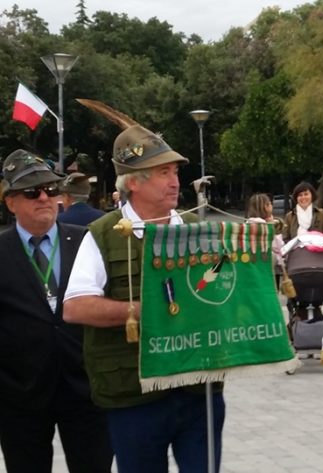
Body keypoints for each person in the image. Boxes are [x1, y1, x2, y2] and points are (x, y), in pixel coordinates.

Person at [62, 125, 225, 473]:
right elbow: (75, 307)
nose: (175, 181)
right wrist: (148, 310)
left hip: (199, 390)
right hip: (134, 396)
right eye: (163, 173)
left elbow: (224, 291)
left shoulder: (198, 227)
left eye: (176, 171)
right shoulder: (103, 234)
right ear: (133, 182)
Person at [0, 150, 112, 473]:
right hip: (21, 398)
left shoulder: (86, 243)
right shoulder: (2, 253)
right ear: (10, 202)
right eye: (32, 192)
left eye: (51, 190)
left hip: (86, 392)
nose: (44, 198)